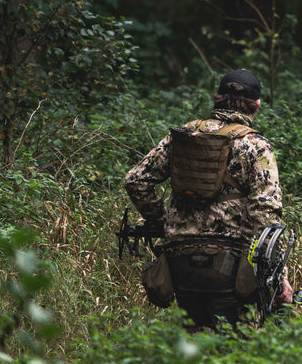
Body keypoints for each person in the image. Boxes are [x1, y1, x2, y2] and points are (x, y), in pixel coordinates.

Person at [123, 69, 292, 331]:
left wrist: (163, 221)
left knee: (192, 344)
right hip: (231, 266)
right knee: (236, 349)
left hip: (179, 263)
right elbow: (266, 212)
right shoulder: (255, 145)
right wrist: (277, 275)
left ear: (218, 98)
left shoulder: (183, 135)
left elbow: (136, 181)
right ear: (256, 105)